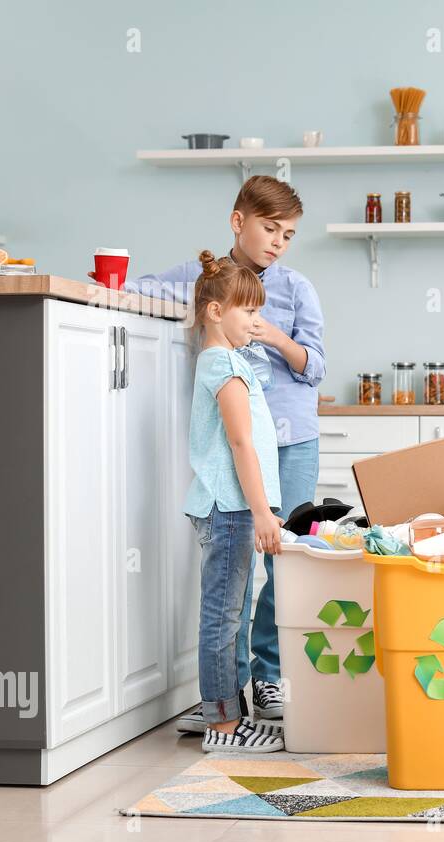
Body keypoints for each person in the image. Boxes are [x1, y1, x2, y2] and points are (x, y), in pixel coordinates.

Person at [122, 176, 326, 731]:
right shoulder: (203, 280)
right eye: (269, 228)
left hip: (290, 442)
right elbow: (136, 291)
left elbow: (316, 367)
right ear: (239, 222)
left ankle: (268, 676)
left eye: (288, 234)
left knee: (282, 564)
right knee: (232, 574)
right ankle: (226, 694)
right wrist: (99, 285)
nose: (279, 242)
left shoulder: (297, 287)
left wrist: (274, 336)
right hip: (235, 452)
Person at [182, 251, 285, 754]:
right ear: (215, 312)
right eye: (247, 311)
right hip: (229, 508)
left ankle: (229, 715)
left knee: (228, 614)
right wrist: (262, 511)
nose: (255, 322)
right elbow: (241, 443)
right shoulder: (221, 362)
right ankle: (222, 727)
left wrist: (264, 507)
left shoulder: (228, 360)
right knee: (224, 617)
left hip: (231, 506)